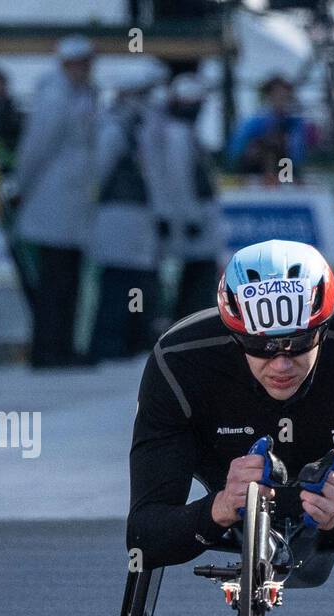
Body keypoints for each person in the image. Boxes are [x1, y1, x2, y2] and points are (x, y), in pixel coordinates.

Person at [127, 239, 334, 572]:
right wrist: (220, 508)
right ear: (233, 334)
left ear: (324, 328)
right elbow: (144, 536)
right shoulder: (178, 361)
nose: (281, 365)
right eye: (260, 345)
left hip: (333, 481)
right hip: (226, 476)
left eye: (299, 342)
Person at [13, 34, 99, 368]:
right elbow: (35, 149)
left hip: (71, 205)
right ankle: (47, 348)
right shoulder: (55, 96)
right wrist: (22, 187)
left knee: (67, 280)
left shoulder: (81, 95)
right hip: (52, 201)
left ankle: (61, 345)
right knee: (54, 281)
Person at [86, 58, 167, 360]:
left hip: (137, 220)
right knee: (117, 285)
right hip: (117, 218)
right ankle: (108, 344)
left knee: (137, 282)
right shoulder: (114, 129)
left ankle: (131, 341)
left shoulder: (138, 128)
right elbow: (99, 174)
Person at [143, 73, 222, 326]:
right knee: (196, 276)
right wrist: (190, 217)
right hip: (193, 219)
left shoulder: (183, 132)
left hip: (194, 216)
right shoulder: (177, 133)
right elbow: (179, 180)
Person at [226, 76, 313, 176]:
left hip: (285, 171)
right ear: (268, 96)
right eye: (276, 95)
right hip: (254, 170)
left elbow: (298, 150)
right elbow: (237, 147)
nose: (281, 99)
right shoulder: (256, 121)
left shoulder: (294, 122)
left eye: (284, 96)